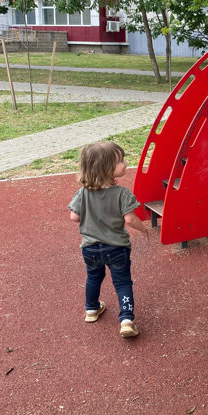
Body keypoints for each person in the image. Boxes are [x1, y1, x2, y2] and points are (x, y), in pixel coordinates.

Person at [68, 141, 148, 338]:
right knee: (122, 282)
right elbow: (129, 219)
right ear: (107, 169)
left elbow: (74, 217)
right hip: (117, 248)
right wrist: (143, 230)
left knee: (94, 277)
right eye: (120, 161)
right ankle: (127, 320)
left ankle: (91, 309)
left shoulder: (82, 193)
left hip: (90, 249)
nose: (125, 163)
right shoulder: (121, 194)